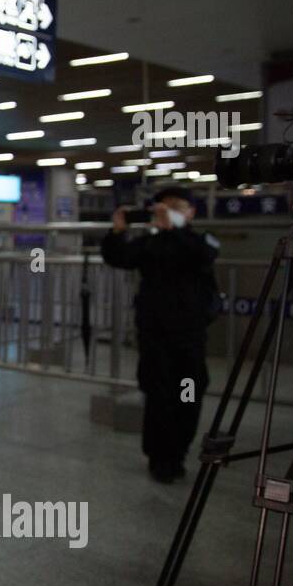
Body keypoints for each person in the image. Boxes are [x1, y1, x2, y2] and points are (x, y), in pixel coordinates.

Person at [102, 185, 220, 483]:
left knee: (188, 393)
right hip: (154, 335)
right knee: (157, 394)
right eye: (162, 206)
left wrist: (175, 229)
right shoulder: (150, 243)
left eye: (176, 206)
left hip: (189, 338)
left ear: (191, 212)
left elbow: (203, 255)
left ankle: (178, 451)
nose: (168, 211)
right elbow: (120, 257)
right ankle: (158, 456)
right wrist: (117, 231)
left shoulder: (199, 240)